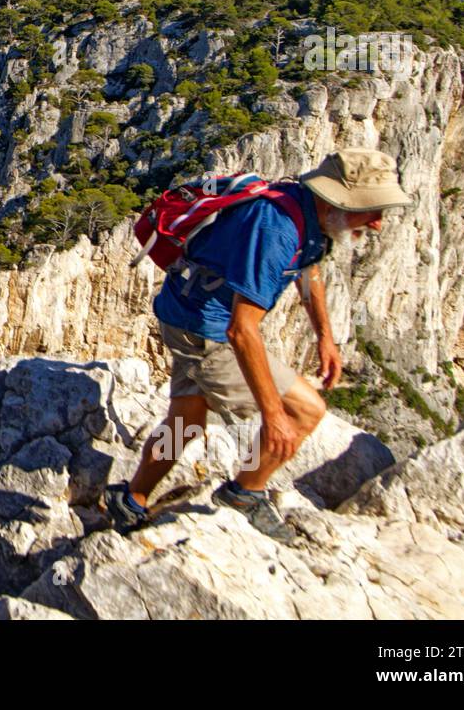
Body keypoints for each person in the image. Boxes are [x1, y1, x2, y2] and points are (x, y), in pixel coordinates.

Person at [106, 148, 412, 544]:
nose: (377, 225)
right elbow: (241, 332)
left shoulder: (307, 215)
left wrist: (325, 336)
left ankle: (131, 498)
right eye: (370, 211)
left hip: (185, 311)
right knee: (303, 411)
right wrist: (273, 414)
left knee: (185, 423)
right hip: (206, 332)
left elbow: (309, 269)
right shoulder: (277, 228)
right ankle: (245, 494)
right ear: (336, 201)